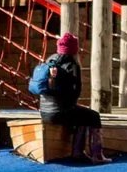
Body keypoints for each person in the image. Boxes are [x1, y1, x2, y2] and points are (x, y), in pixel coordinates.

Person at [28, 33, 106, 163]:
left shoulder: (49, 61)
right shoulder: (72, 65)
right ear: (74, 50)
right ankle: (94, 154)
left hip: (44, 111)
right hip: (59, 112)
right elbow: (75, 93)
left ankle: (78, 151)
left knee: (81, 115)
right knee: (93, 116)